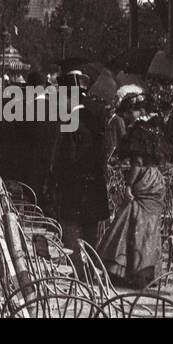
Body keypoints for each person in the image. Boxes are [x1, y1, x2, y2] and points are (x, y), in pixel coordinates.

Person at [96, 94, 166, 288]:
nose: (130, 115)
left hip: (143, 178)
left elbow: (138, 162)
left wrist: (128, 184)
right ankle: (146, 271)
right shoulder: (156, 128)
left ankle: (125, 270)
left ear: (139, 111)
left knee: (132, 220)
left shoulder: (139, 130)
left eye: (133, 111)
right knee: (150, 227)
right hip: (157, 179)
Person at [47, 72, 110, 277]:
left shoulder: (72, 121)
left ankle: (79, 273)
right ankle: (91, 272)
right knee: (90, 232)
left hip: (74, 186)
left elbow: (66, 157)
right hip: (94, 184)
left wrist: (55, 177)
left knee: (72, 229)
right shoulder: (96, 115)